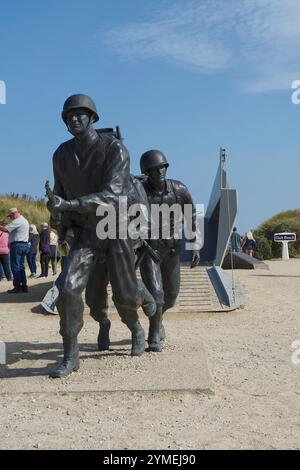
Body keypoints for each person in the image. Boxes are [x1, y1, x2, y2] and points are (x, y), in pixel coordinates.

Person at [47, 94, 144, 378]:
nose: (74, 119)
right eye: (69, 116)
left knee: (126, 294)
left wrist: (70, 205)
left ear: (92, 117)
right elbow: (61, 192)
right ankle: (71, 354)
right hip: (84, 232)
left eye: (80, 114)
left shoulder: (115, 149)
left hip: (114, 226)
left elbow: (113, 195)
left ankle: (136, 328)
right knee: (68, 290)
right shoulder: (61, 154)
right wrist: (58, 211)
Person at [139, 150, 201, 352]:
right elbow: (127, 220)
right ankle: (153, 335)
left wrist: (194, 244)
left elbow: (191, 216)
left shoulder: (179, 189)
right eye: (156, 169)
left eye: (163, 167)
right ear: (147, 172)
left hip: (173, 250)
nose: (161, 171)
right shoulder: (139, 191)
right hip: (149, 251)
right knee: (157, 294)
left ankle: (158, 319)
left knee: (171, 298)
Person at [0, 208, 29, 293]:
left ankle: (18, 287)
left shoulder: (18, 221)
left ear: (14, 214)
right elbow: (7, 228)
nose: (10, 218)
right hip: (23, 244)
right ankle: (23, 286)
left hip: (17, 245)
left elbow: (5, 229)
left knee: (15, 266)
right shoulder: (23, 220)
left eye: (10, 216)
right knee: (20, 267)